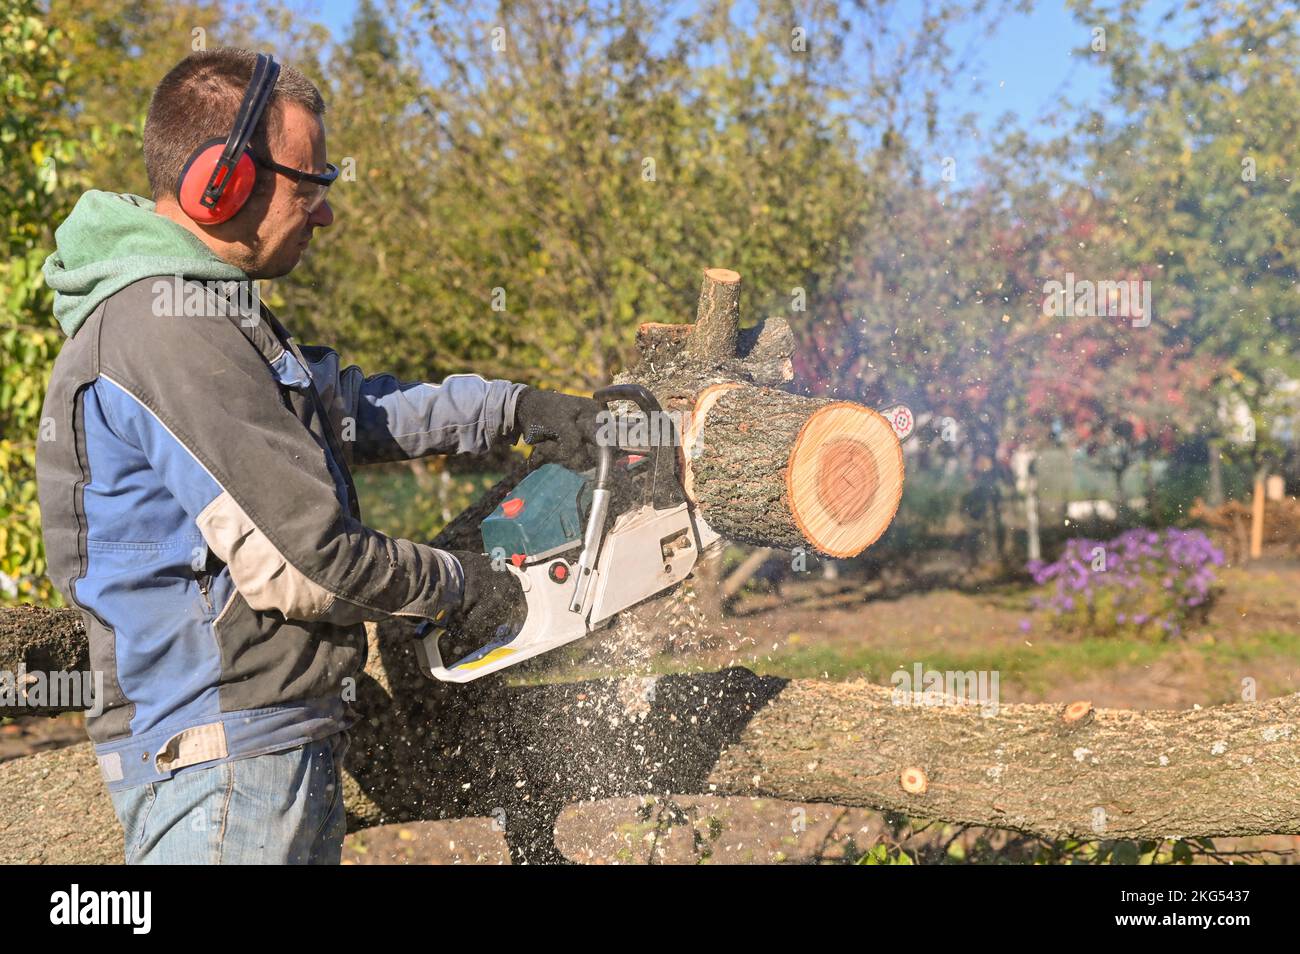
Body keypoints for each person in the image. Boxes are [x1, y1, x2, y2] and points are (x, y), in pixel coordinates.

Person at [35, 47, 600, 864]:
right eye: (309, 186)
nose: (324, 214)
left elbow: (352, 409)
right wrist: (461, 585)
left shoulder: (211, 316)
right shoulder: (168, 332)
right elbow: (303, 562)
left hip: (253, 750)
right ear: (220, 182)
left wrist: (518, 407)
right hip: (225, 762)